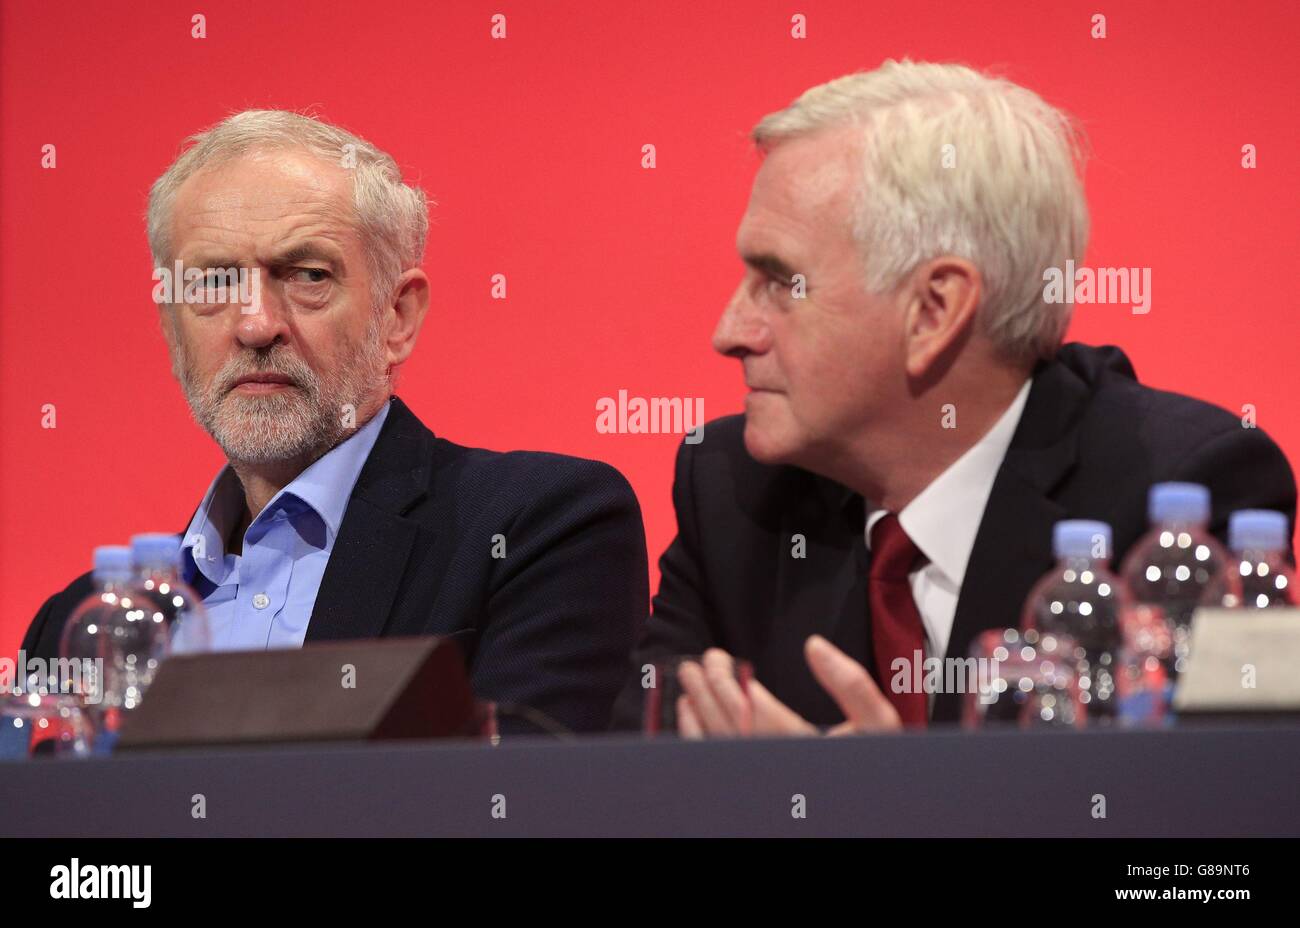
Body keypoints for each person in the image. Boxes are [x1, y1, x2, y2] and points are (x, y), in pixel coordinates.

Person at [613, 60, 1297, 736]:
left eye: (778, 283)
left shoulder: (1179, 499)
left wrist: (888, 810)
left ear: (934, 311)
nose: (728, 333)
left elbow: (1208, 819)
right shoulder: (734, 495)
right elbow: (626, 793)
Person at [23, 110, 648, 734]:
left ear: (396, 316)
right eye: (213, 281)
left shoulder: (543, 529)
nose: (255, 324)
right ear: (169, 325)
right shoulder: (77, 626)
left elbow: (523, 806)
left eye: (307, 276)